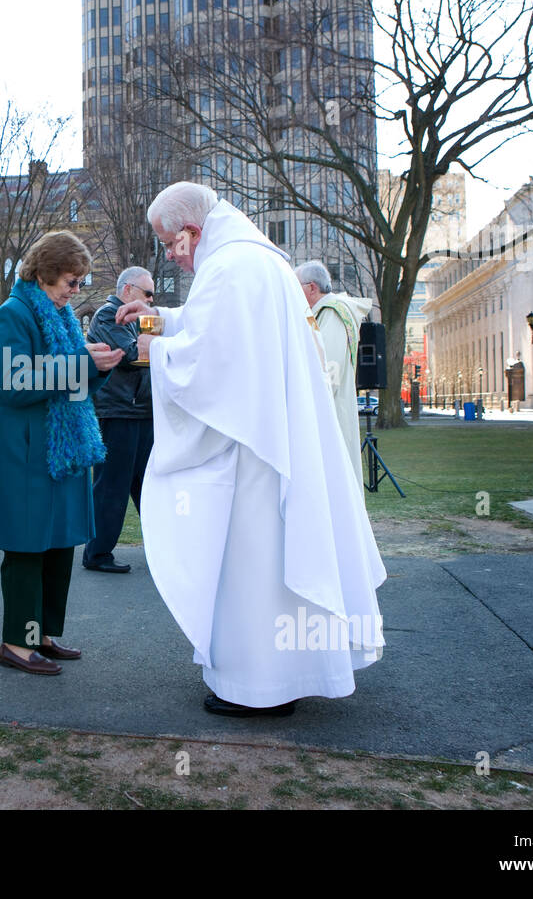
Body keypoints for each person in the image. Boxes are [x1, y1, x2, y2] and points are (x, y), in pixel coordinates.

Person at [117, 182, 385, 715]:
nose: (169, 254)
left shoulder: (231, 266)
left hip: (256, 452)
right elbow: (222, 328)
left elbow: (214, 361)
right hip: (272, 436)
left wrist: (156, 351)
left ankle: (258, 687)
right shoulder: (250, 258)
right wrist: (167, 319)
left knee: (253, 561)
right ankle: (284, 674)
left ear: (192, 231)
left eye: (170, 243)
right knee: (272, 557)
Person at [0, 231, 122, 676]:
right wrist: (83, 364)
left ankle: (42, 634)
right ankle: (17, 644)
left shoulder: (60, 316)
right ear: (44, 272)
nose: (75, 290)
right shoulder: (13, 313)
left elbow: (72, 381)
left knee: (59, 543)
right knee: (27, 545)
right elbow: (7, 385)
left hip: (59, 449)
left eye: (80, 282)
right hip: (26, 450)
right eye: (70, 280)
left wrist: (98, 365)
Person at [82, 266, 156, 573]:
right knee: (111, 485)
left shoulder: (134, 319)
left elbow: (149, 352)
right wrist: (154, 330)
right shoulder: (107, 315)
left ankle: (161, 550)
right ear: (127, 290)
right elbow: (132, 355)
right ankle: (97, 553)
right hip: (118, 411)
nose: (151, 301)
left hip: (140, 411)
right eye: (147, 294)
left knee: (148, 487)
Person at [295, 261, 371, 486]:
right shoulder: (320, 315)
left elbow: (328, 373)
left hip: (331, 413)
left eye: (296, 286)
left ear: (311, 288)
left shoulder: (334, 314)